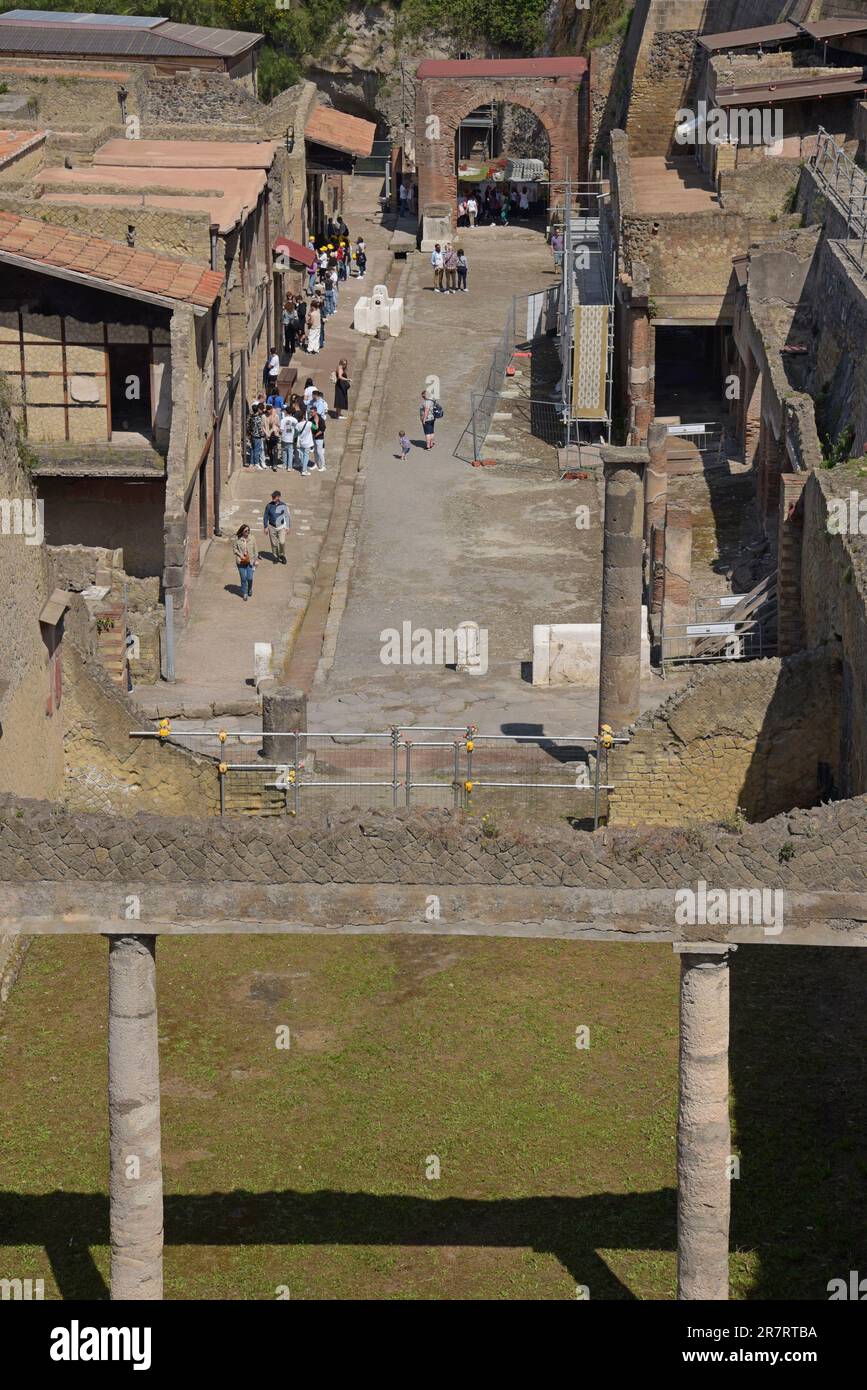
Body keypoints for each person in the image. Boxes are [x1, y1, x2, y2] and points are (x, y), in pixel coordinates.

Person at [263, 490, 290, 565]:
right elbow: (265, 516)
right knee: (274, 544)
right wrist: (265, 527)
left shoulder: (283, 505)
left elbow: (287, 516)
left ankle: (282, 555)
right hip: (272, 527)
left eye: (274, 496)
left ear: (278, 497)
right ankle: (275, 556)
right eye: (272, 496)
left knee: (282, 542)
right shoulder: (269, 505)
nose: (272, 497)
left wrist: (288, 527)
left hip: (281, 527)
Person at [233, 524, 258, 601]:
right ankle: (245, 593)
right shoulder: (238, 540)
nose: (248, 532)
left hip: (250, 561)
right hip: (241, 562)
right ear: (242, 532)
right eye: (246, 531)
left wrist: (255, 560)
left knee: (249, 578)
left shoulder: (252, 538)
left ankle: (249, 588)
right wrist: (241, 556)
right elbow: (234, 549)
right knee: (243, 578)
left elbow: (255, 550)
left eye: (248, 530)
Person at [247, 402, 266, 469]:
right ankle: (257, 463)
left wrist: (249, 433)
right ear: (257, 409)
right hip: (257, 436)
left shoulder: (251, 417)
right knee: (257, 450)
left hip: (252, 435)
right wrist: (262, 435)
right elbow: (260, 428)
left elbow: (248, 425)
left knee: (252, 449)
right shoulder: (258, 418)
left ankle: (251, 463)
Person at [295, 410, 314, 477]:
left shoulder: (297, 425)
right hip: (308, 443)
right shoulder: (309, 423)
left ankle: (304, 467)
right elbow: (315, 428)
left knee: (302, 456)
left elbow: (295, 435)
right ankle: (304, 470)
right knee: (306, 456)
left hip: (301, 442)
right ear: (303, 416)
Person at [264, 402, 281, 469]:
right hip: (267, 435)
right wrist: (266, 433)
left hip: (274, 435)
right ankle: (271, 461)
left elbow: (278, 425)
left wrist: (276, 430)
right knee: (269, 450)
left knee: (275, 449)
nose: (268, 411)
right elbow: (263, 426)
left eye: (269, 409)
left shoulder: (276, 416)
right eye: (267, 409)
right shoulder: (264, 416)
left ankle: (274, 464)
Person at [280, 407, 297, 471]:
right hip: (292, 438)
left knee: (284, 452)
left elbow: (281, 430)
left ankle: (284, 464)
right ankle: (289, 467)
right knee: (290, 452)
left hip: (284, 438)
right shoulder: (295, 420)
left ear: (286, 412)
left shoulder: (283, 420)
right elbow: (297, 429)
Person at [310, 406, 326, 472]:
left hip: (319, 438)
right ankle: (316, 464)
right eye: (310, 412)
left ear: (315, 412)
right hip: (314, 437)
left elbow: (323, 429)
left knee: (319, 452)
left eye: (312, 412)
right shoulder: (311, 419)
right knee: (315, 452)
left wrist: (316, 434)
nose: (311, 413)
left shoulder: (321, 419)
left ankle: (323, 465)